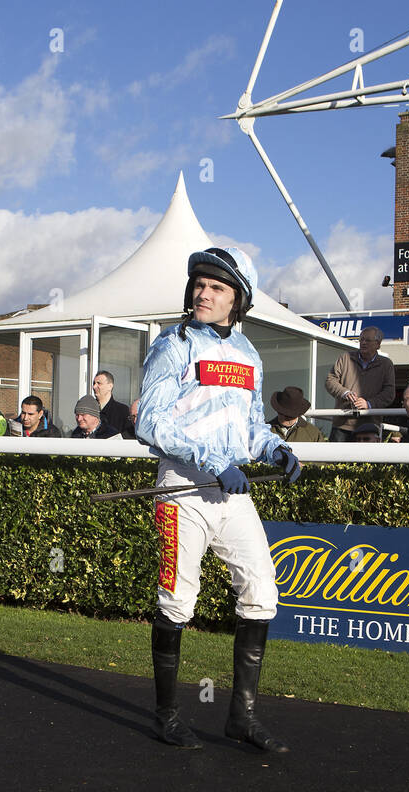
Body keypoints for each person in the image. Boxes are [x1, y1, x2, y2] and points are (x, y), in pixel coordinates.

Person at [136, 245, 301, 753]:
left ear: (238, 300)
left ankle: (241, 718)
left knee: (261, 592)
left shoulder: (248, 354)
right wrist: (212, 462)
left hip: (232, 492)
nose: (203, 293)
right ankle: (167, 717)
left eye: (217, 288)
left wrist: (275, 448)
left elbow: (250, 426)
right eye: (199, 285)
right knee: (177, 602)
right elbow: (149, 421)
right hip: (182, 488)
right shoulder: (174, 345)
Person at [325, 326, 395, 441]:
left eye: (367, 340)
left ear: (378, 344)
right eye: (361, 339)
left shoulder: (386, 364)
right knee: (338, 458)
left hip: (370, 425)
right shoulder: (345, 358)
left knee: (366, 459)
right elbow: (330, 380)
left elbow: (389, 393)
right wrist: (344, 392)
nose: (363, 343)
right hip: (342, 424)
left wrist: (369, 404)